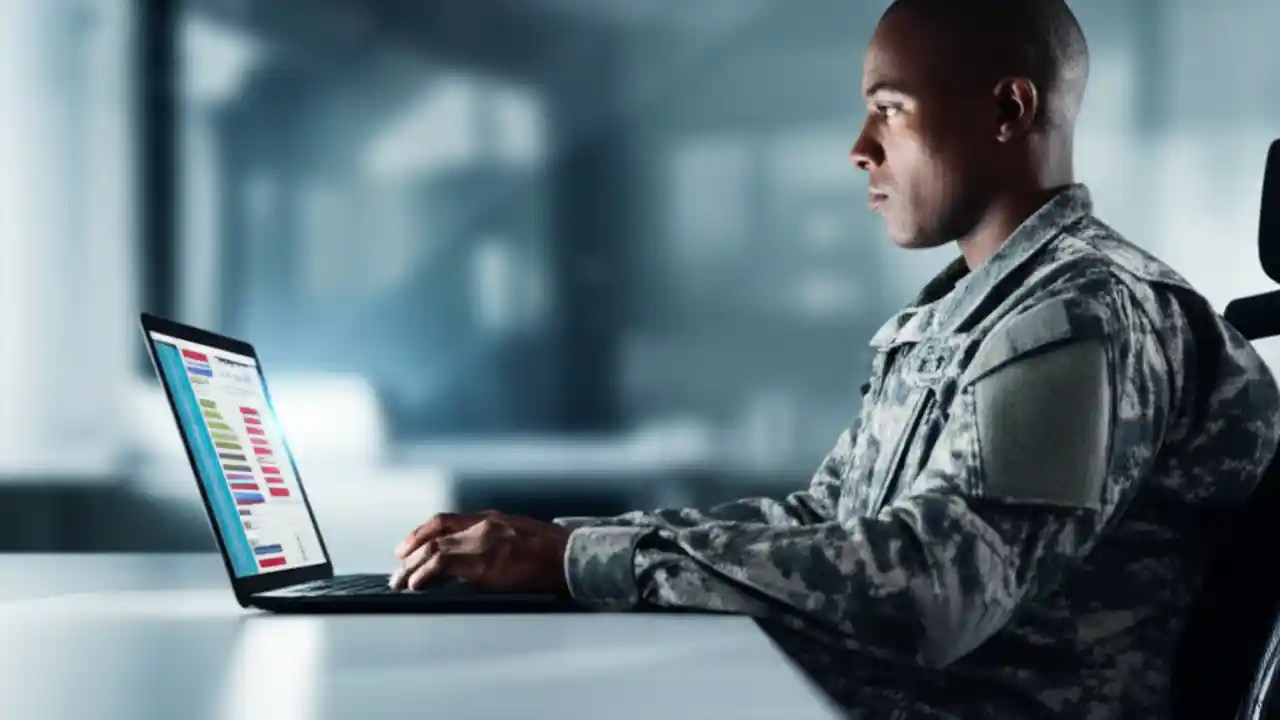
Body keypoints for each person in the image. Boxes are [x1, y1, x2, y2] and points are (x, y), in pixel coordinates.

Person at [389, 0, 1280, 716]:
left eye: (890, 109)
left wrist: (590, 564)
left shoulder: (1085, 315)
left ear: (1008, 108)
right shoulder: (965, 313)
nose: (860, 149)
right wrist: (571, 546)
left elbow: (935, 587)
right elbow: (824, 516)